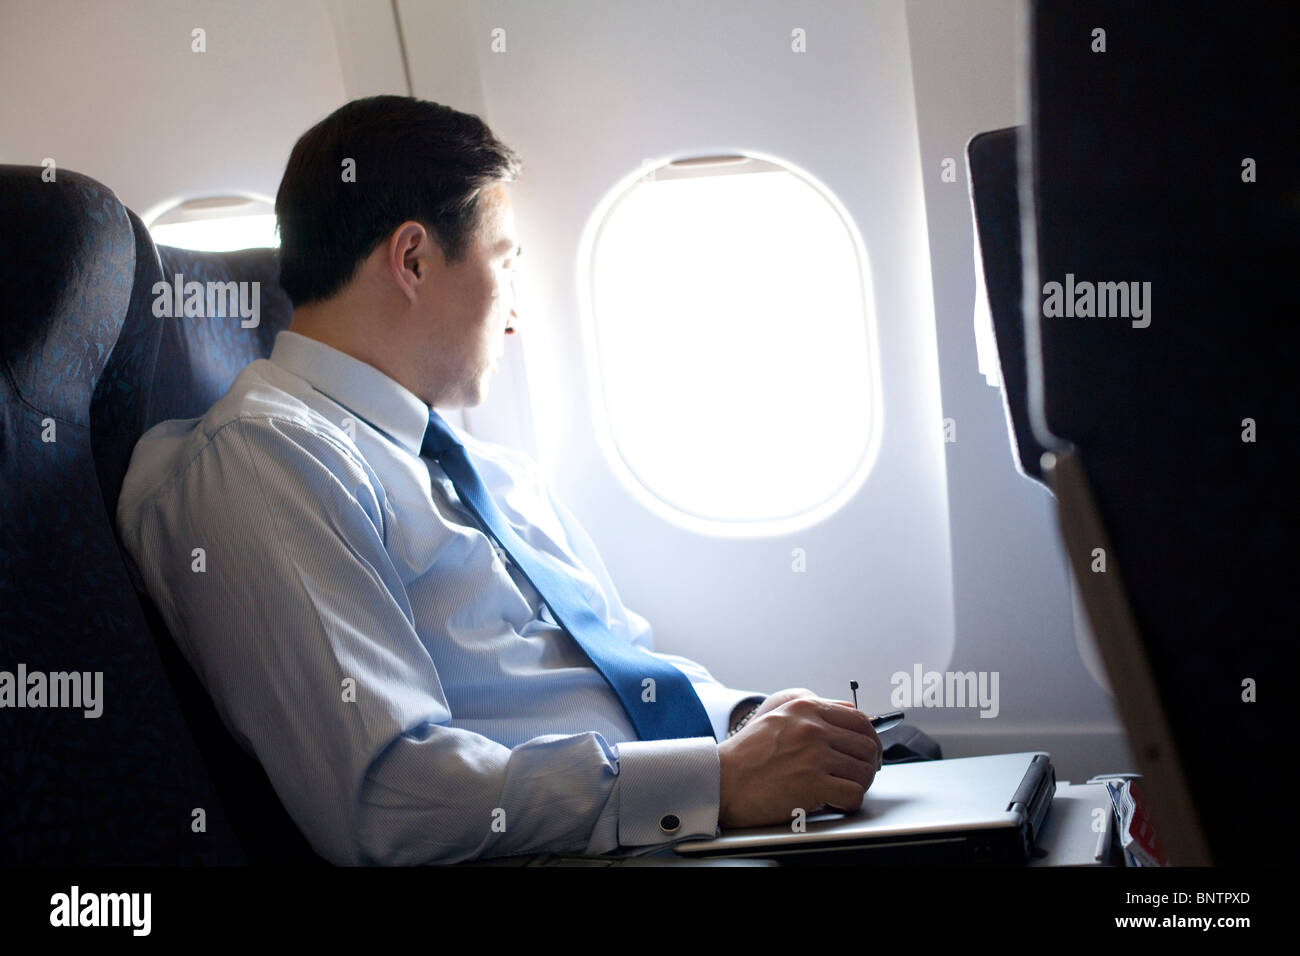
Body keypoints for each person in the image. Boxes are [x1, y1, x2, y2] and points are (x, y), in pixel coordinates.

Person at [116, 95, 881, 865]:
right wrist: (714, 781)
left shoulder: (485, 470)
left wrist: (747, 722)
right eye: (505, 262)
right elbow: (388, 797)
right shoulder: (266, 462)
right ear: (413, 261)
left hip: (669, 821)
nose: (515, 314)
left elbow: (621, 665)